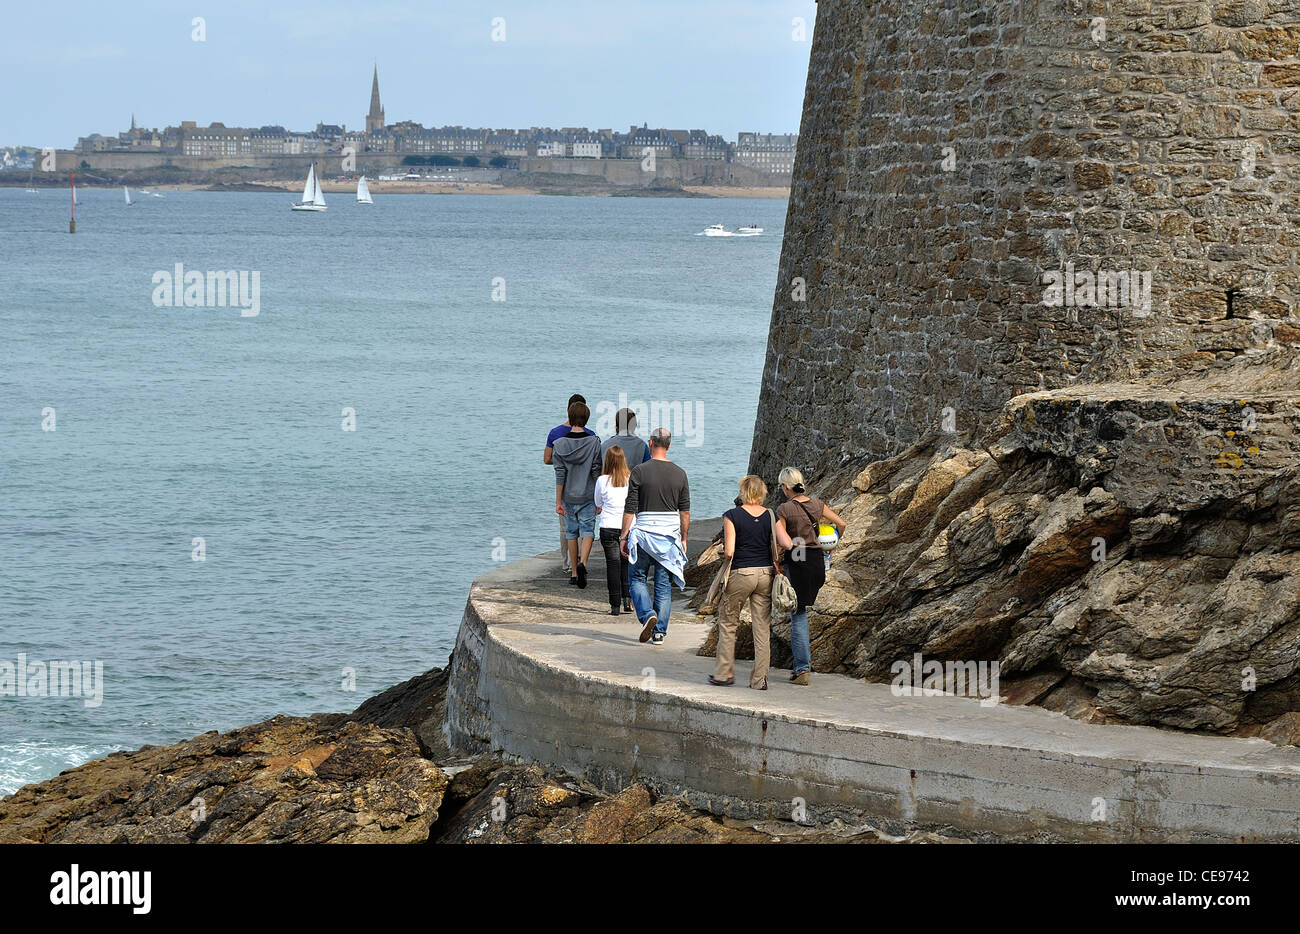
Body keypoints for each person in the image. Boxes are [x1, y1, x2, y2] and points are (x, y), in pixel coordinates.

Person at [710, 475, 795, 690]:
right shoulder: (769, 515)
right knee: (762, 628)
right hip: (765, 574)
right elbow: (786, 542)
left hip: (741, 574)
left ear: (743, 492)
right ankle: (760, 680)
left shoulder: (732, 515)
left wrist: (721, 551)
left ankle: (723, 674)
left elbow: (729, 551)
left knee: (729, 623)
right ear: (762, 493)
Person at [775, 467, 847, 685]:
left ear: (785, 487)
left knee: (797, 614)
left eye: (781, 486)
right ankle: (802, 667)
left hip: (797, 560)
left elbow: (781, 540)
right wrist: (832, 544)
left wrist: (777, 562)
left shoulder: (784, 508)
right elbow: (841, 524)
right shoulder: (817, 503)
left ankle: (802, 669)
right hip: (817, 561)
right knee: (802, 610)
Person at [620, 427, 689, 646]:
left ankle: (647, 613)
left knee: (637, 579)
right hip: (668, 536)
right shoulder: (680, 473)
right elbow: (685, 512)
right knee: (663, 586)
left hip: (643, 535)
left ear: (651, 443)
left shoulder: (639, 471)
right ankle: (659, 633)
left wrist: (623, 536)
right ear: (669, 445)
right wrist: (684, 538)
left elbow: (630, 508)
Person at [552, 401, 603, 588]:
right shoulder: (594, 442)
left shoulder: (559, 444)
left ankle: (574, 573)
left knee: (571, 533)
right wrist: (600, 499)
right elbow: (597, 472)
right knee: (588, 531)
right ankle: (584, 563)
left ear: (570, 418)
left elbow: (560, 474)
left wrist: (558, 501)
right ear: (587, 419)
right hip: (588, 495)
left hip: (568, 496)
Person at [544, 394, 593, 574]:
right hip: (586, 488)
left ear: (568, 410)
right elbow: (596, 466)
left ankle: (567, 564)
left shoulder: (555, 434)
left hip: (565, 487)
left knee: (567, 528)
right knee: (585, 528)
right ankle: (581, 561)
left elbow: (547, 459)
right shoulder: (592, 436)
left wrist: (564, 462)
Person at [594, 445, 633, 615]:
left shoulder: (602, 481)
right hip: (628, 527)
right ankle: (628, 602)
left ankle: (614, 606)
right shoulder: (630, 479)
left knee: (612, 565)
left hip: (608, 526)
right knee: (627, 565)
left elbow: (598, 503)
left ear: (607, 461)